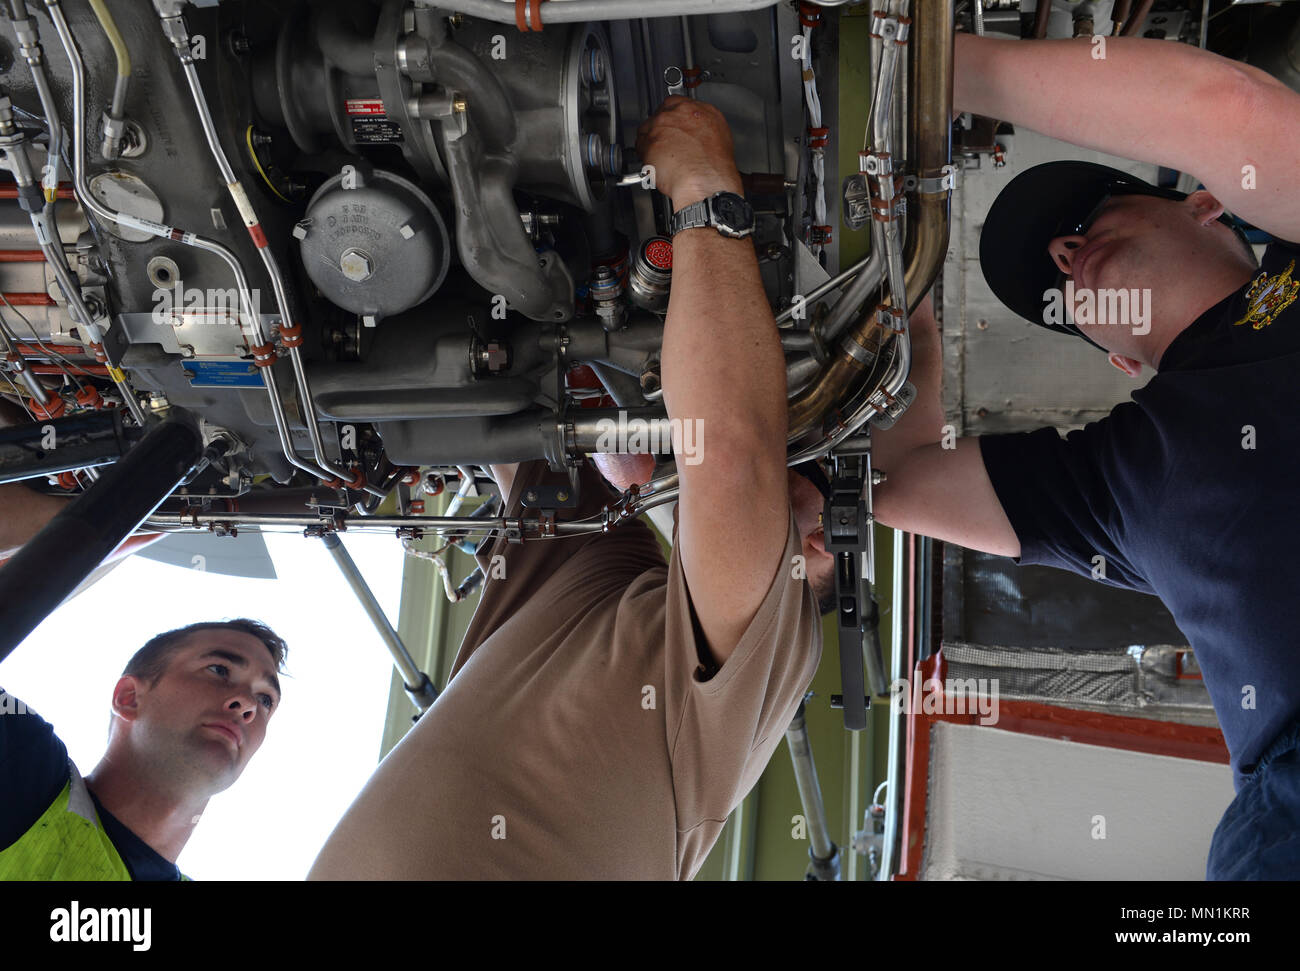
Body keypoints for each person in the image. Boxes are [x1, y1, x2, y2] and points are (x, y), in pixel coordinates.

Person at [308, 96, 838, 881]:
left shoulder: (736, 632)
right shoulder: (657, 639)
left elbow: (704, 457)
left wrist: (699, 183)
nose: (802, 500)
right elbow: (707, 458)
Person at [867, 33, 1300, 878]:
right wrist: (906, 291)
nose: (1067, 256)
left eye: (1087, 220)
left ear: (1205, 203)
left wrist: (912, 61)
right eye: (1060, 295)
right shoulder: (1114, 481)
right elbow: (900, 479)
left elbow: (1230, 111)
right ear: (1117, 359)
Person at [0, 619, 287, 880]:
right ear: (129, 697)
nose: (247, 704)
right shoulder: (23, 760)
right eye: (219, 669)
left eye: (265, 699)